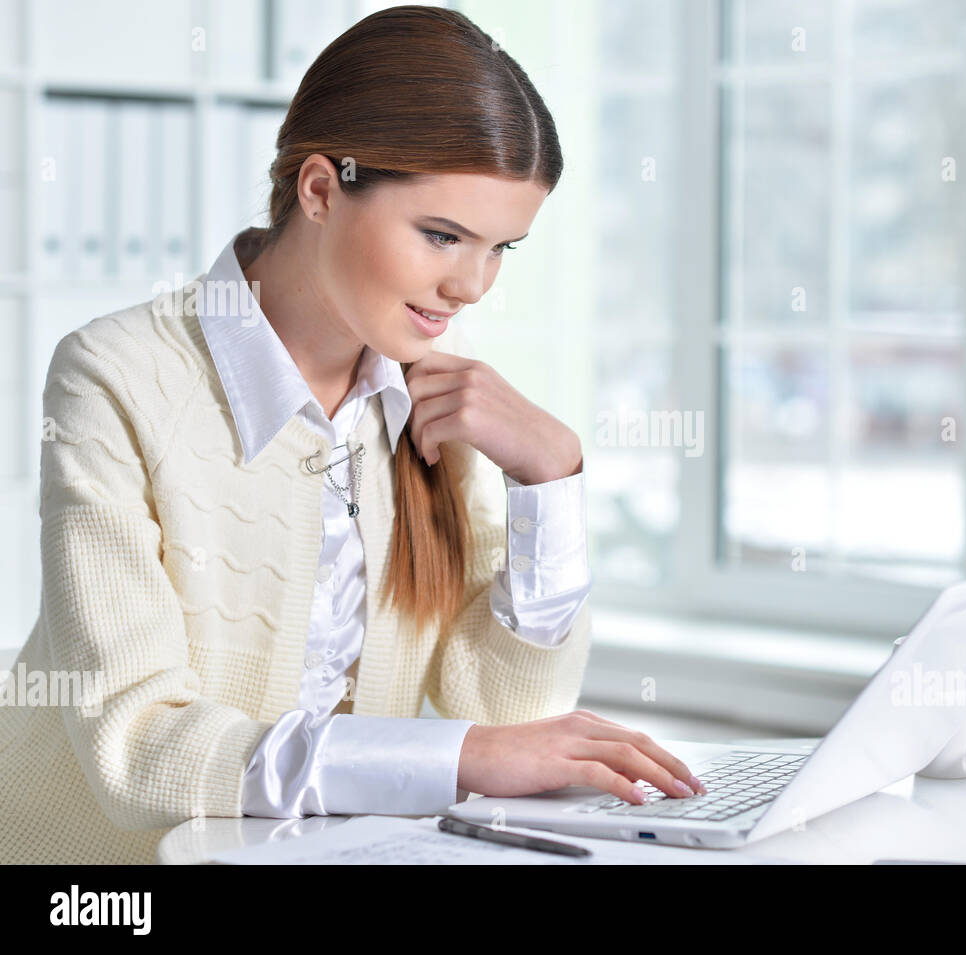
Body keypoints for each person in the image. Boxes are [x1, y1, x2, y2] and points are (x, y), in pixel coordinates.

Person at [0, 4, 702, 865]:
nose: (471, 284)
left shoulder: (427, 396)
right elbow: (138, 750)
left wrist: (549, 482)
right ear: (322, 188)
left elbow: (505, 714)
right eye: (442, 235)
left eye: (501, 248)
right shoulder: (113, 375)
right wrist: (460, 757)